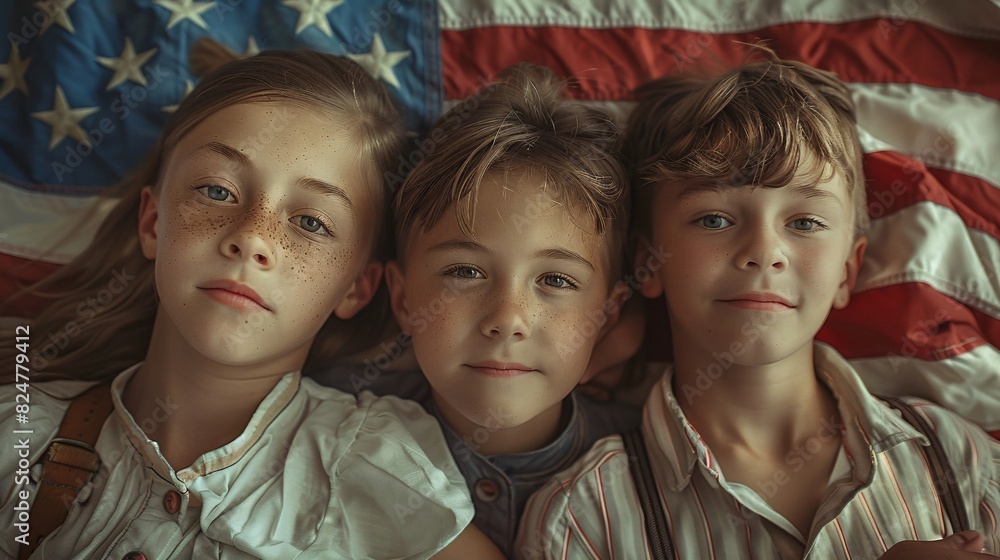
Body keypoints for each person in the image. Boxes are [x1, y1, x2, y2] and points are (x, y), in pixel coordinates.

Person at [0, 39, 503, 559]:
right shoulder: (19, 430)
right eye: (217, 191)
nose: (254, 237)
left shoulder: (371, 470)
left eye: (311, 223)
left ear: (358, 286)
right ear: (153, 223)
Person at [516, 48, 1000, 559]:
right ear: (649, 260)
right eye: (714, 219)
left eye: (805, 222)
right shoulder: (585, 520)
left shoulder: (962, 461)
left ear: (848, 271)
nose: (763, 253)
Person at [312, 62, 641, 557]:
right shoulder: (326, 428)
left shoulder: (651, 464)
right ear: (403, 299)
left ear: (606, 315)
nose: (507, 318)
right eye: (465, 272)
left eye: (555, 280)